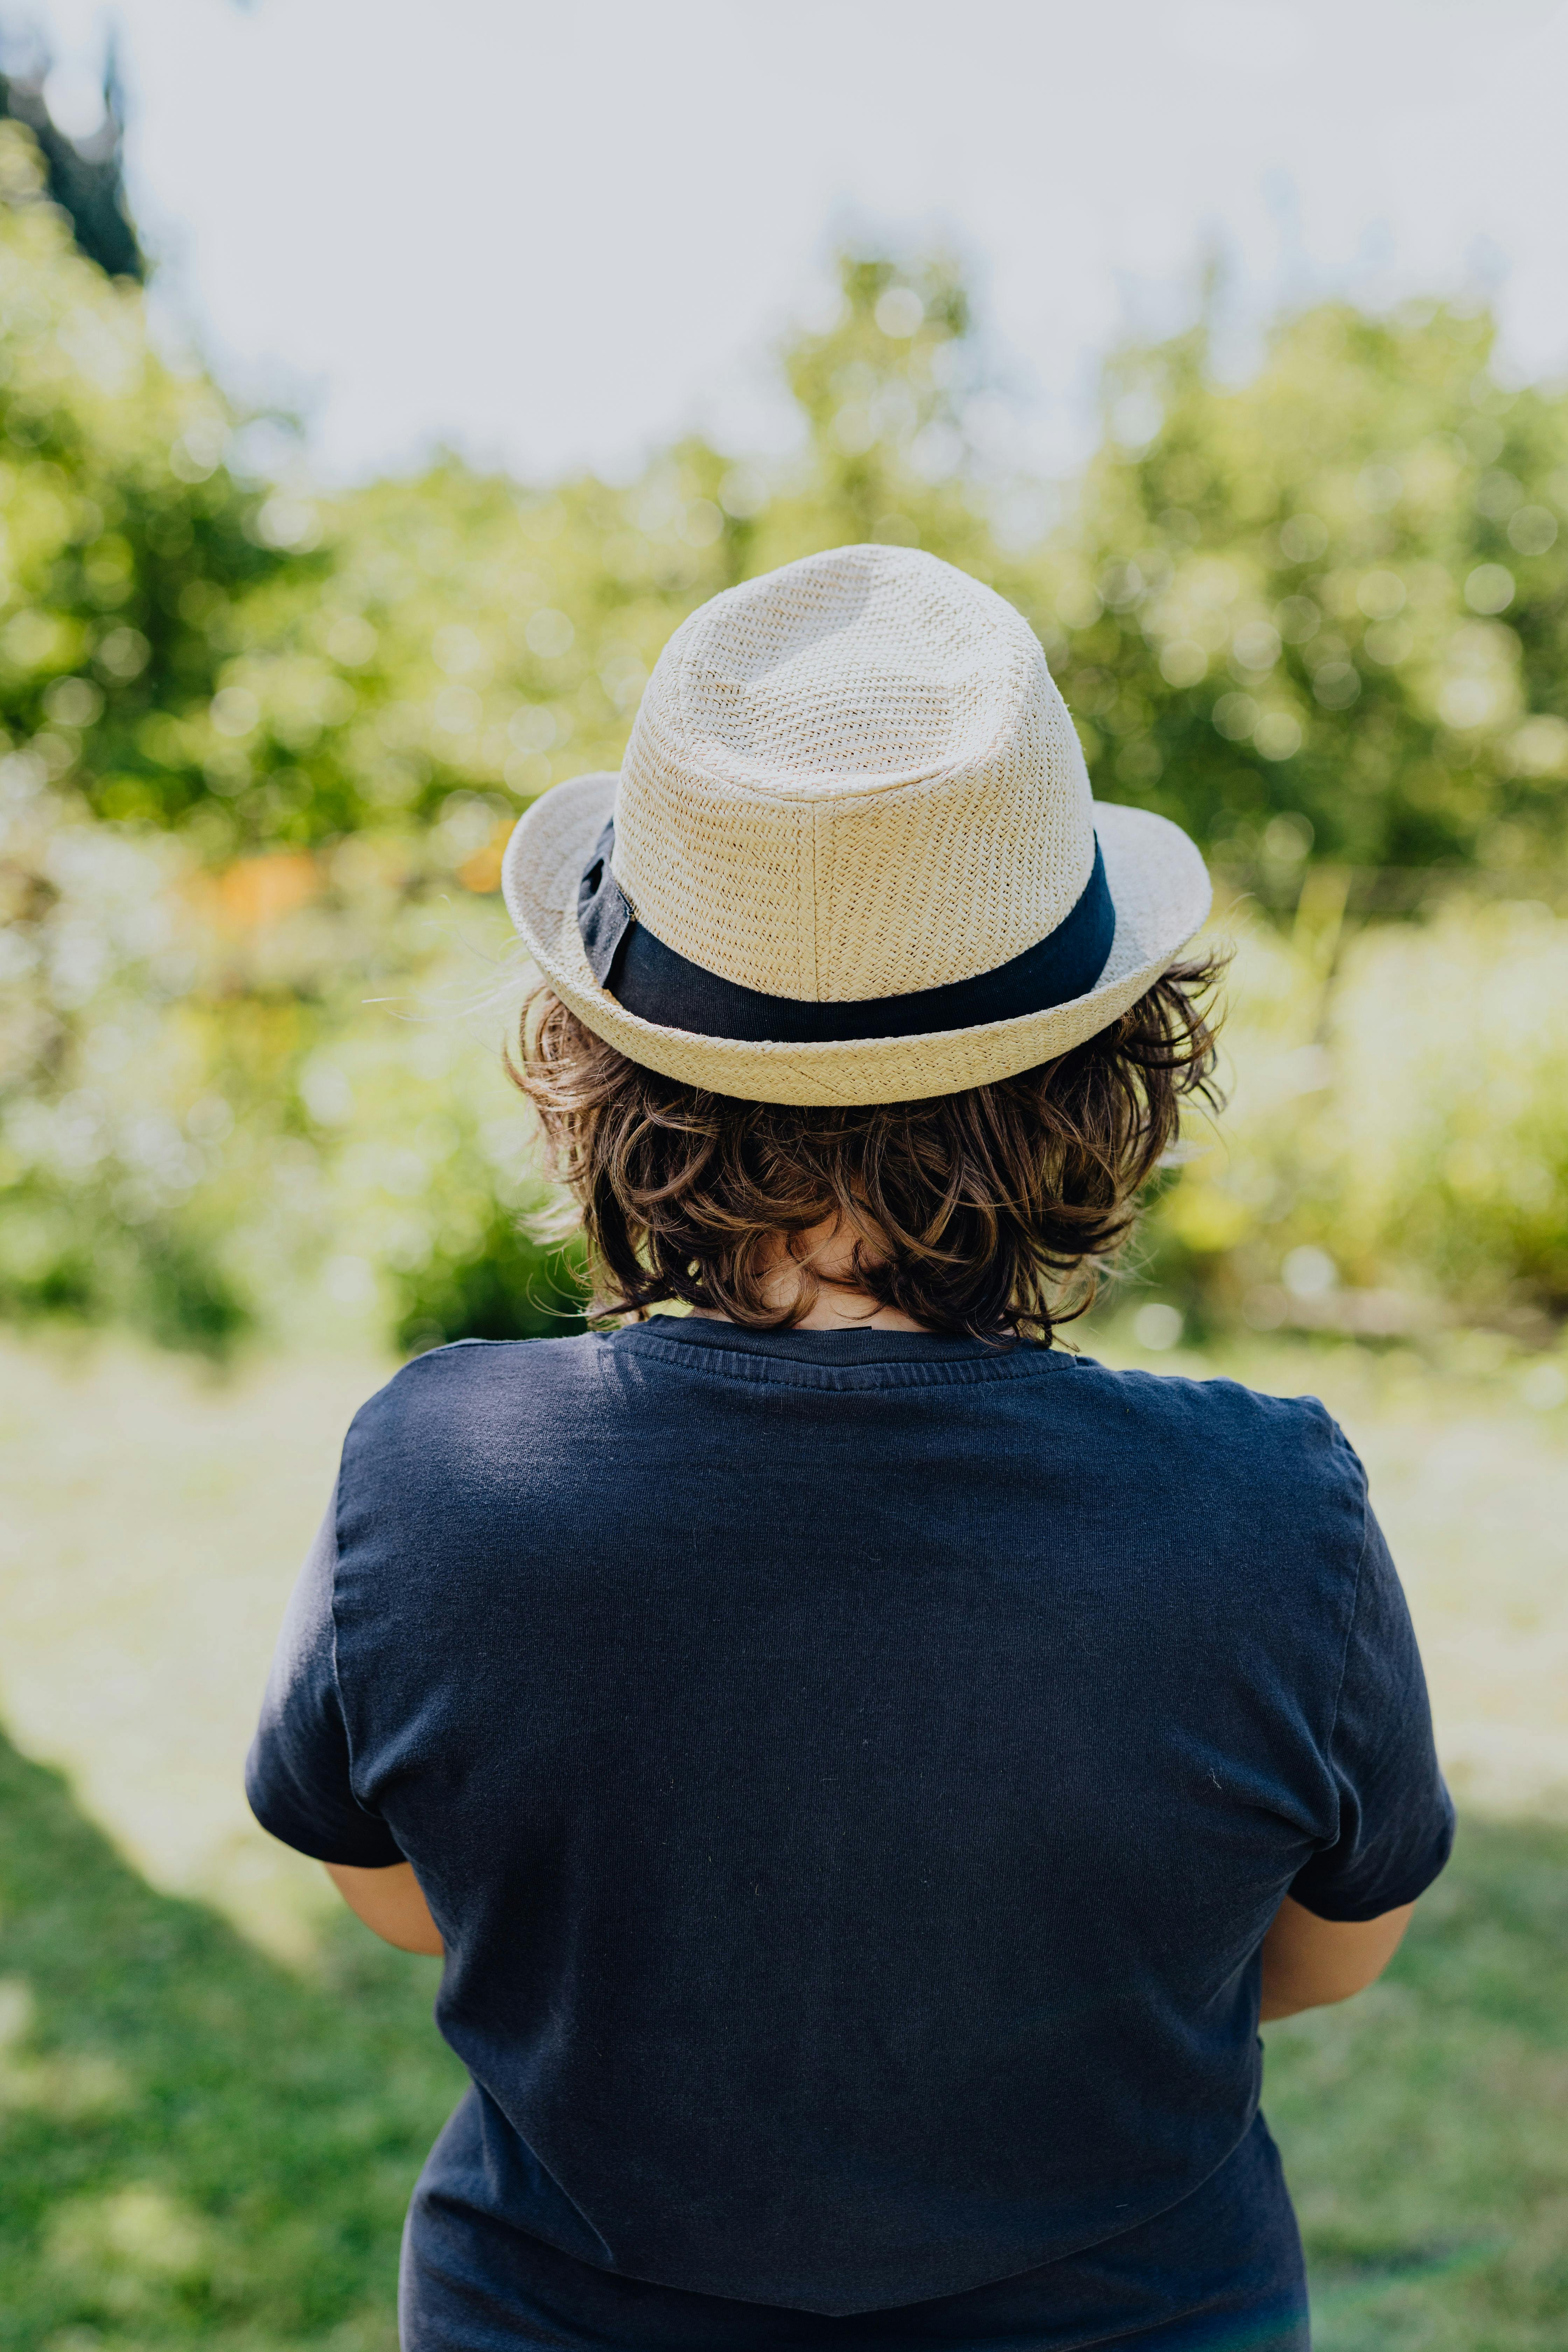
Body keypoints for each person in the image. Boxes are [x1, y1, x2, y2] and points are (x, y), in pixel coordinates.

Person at [247, 545, 1453, 2352]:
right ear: (1100, 1071)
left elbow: (406, 1901)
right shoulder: (1274, 1517)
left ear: (609, 1065)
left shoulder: (430, 1480)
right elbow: (1334, 1953)